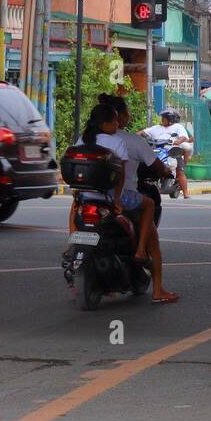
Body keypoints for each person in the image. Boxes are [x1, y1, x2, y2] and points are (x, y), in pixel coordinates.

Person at [88, 94, 177, 304]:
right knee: (152, 228)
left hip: (90, 195)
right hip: (120, 198)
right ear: (119, 117)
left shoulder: (88, 138)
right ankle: (153, 281)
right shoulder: (128, 141)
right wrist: (166, 172)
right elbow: (153, 166)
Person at [143, 108, 193, 199]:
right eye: (162, 117)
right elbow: (143, 132)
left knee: (179, 171)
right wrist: (134, 137)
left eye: (164, 117)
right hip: (157, 149)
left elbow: (183, 137)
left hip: (172, 151)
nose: (162, 119)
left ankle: (186, 194)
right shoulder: (156, 128)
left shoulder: (178, 127)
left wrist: (178, 141)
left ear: (171, 119)